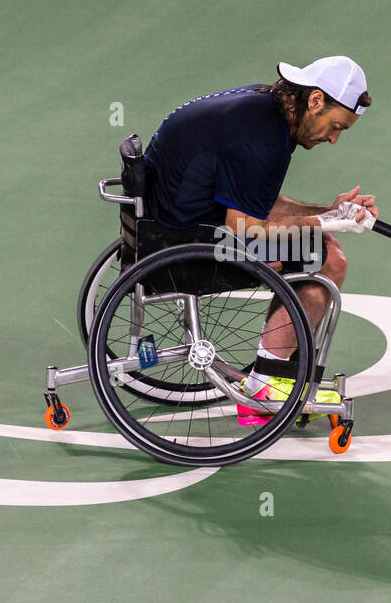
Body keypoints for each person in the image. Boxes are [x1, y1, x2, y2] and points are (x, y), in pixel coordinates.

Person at [140, 55, 375, 425]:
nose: (333, 138)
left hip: (170, 224)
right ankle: (263, 386)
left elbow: (257, 202)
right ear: (315, 100)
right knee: (328, 260)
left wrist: (329, 212)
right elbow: (245, 228)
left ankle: (275, 376)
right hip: (188, 245)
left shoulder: (264, 110)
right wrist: (325, 223)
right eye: (336, 126)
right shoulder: (263, 138)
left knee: (317, 240)